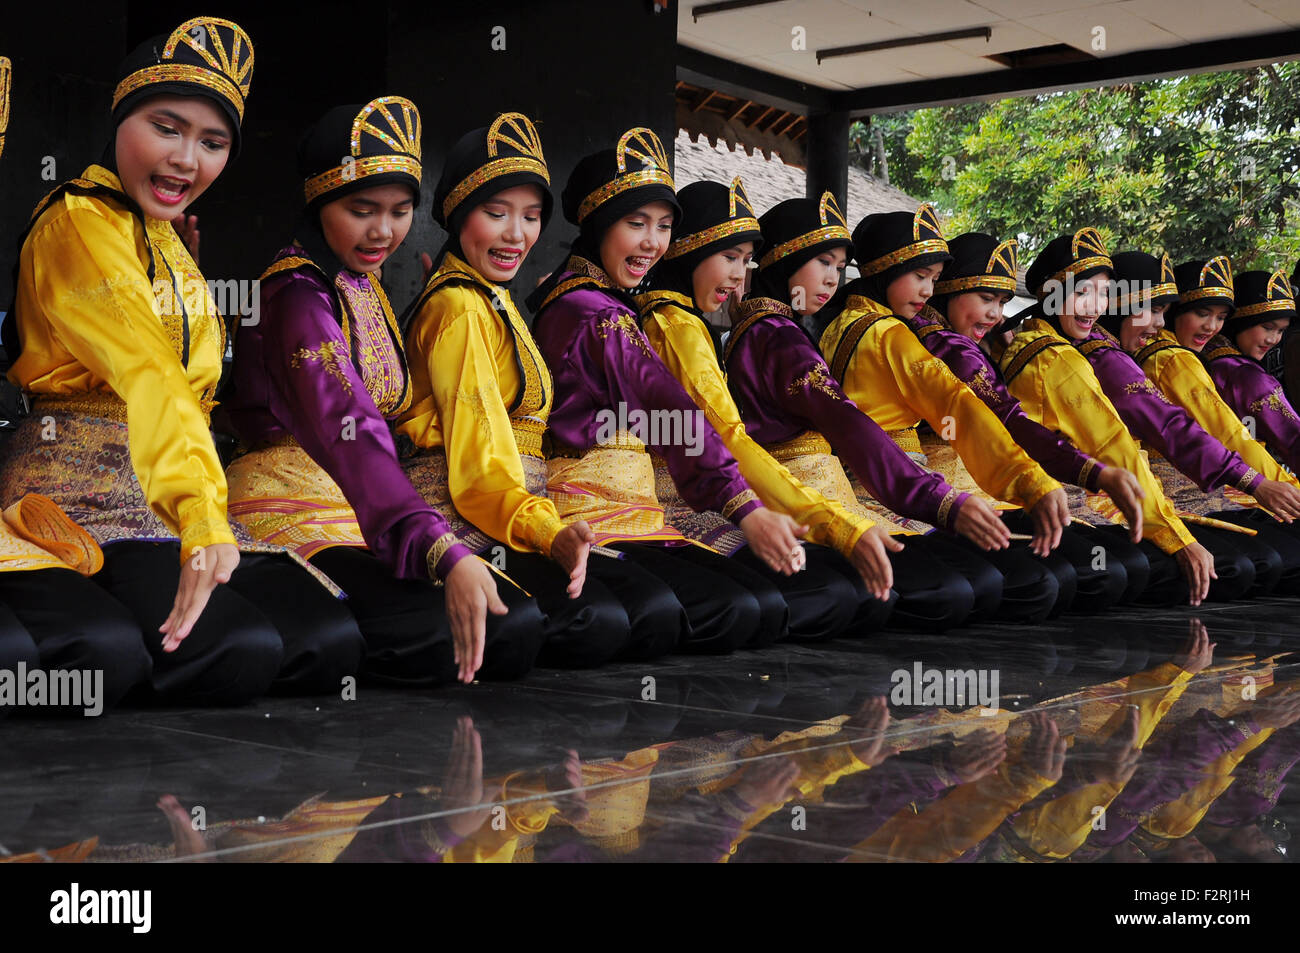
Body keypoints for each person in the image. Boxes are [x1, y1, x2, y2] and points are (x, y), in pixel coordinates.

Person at [0, 17, 364, 704]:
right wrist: (201, 516)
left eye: (212, 142)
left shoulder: (169, 244)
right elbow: (148, 368)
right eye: (166, 128)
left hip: (177, 500)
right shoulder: (77, 217)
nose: (187, 160)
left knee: (327, 637)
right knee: (231, 649)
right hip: (82, 495)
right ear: (120, 118)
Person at [223, 98, 545, 686]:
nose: (383, 231)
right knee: (420, 633)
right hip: (289, 507)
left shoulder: (358, 283)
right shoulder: (295, 294)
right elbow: (350, 427)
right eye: (361, 209)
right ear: (320, 203)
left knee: (513, 623)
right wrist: (441, 549)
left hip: (362, 511)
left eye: (400, 211)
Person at [527, 127, 837, 651]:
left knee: (762, 606)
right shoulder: (593, 310)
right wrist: (744, 505)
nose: (652, 241)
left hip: (647, 510)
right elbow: (668, 413)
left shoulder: (610, 303)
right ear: (601, 224)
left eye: (664, 226)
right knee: (746, 607)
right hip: (588, 511)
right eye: (636, 223)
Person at [396, 111, 678, 663]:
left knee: (647, 613)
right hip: (464, 514)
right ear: (458, 217)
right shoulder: (458, 305)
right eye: (495, 213)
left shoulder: (494, 297)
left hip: (519, 508)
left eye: (530, 216)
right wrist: (548, 531)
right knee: (610, 620)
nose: (516, 234)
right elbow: (479, 471)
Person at [635, 179, 901, 636]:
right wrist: (836, 523)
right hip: (689, 500)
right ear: (689, 251)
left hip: (745, 492)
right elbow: (728, 435)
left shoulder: (695, 323)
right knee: (833, 595)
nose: (740, 275)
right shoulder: (681, 325)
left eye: (745, 260)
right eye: (729, 257)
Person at [818, 204, 1072, 623]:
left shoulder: (852, 322)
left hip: (896, 485)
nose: (927, 292)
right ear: (886, 268)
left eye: (934, 280)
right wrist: (1035, 480)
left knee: (1028, 580)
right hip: (886, 491)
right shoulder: (888, 333)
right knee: (1018, 583)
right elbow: (958, 403)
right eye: (920, 277)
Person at [999, 230, 1263, 605]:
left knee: (1249, 562)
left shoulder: (1065, 347)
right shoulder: (1063, 358)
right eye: (1083, 292)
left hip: (1106, 501)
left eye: (1103, 294)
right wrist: (1179, 536)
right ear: (1051, 293)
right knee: (1236, 566)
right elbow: (1121, 446)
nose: (1094, 307)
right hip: (1061, 505)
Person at [910, 231, 1150, 610]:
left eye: (1002, 301)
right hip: (940, 487)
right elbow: (1009, 420)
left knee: (1115, 569)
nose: (995, 313)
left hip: (999, 481)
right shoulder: (948, 346)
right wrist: (1092, 473)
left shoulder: (976, 342)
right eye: (986, 298)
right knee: (1070, 578)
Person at [1110, 251, 1300, 594]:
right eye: (1202, 313)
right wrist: (1271, 486)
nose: (1211, 327)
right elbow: (1228, 435)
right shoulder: (1175, 361)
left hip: (1208, 492)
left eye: (1220, 317)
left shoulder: (1191, 359)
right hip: (1182, 499)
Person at [1184, 264, 1300, 476]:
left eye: (1281, 331)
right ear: (1242, 320)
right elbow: (1293, 437)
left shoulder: (1204, 349)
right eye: (1267, 327)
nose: (1273, 339)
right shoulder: (1246, 376)